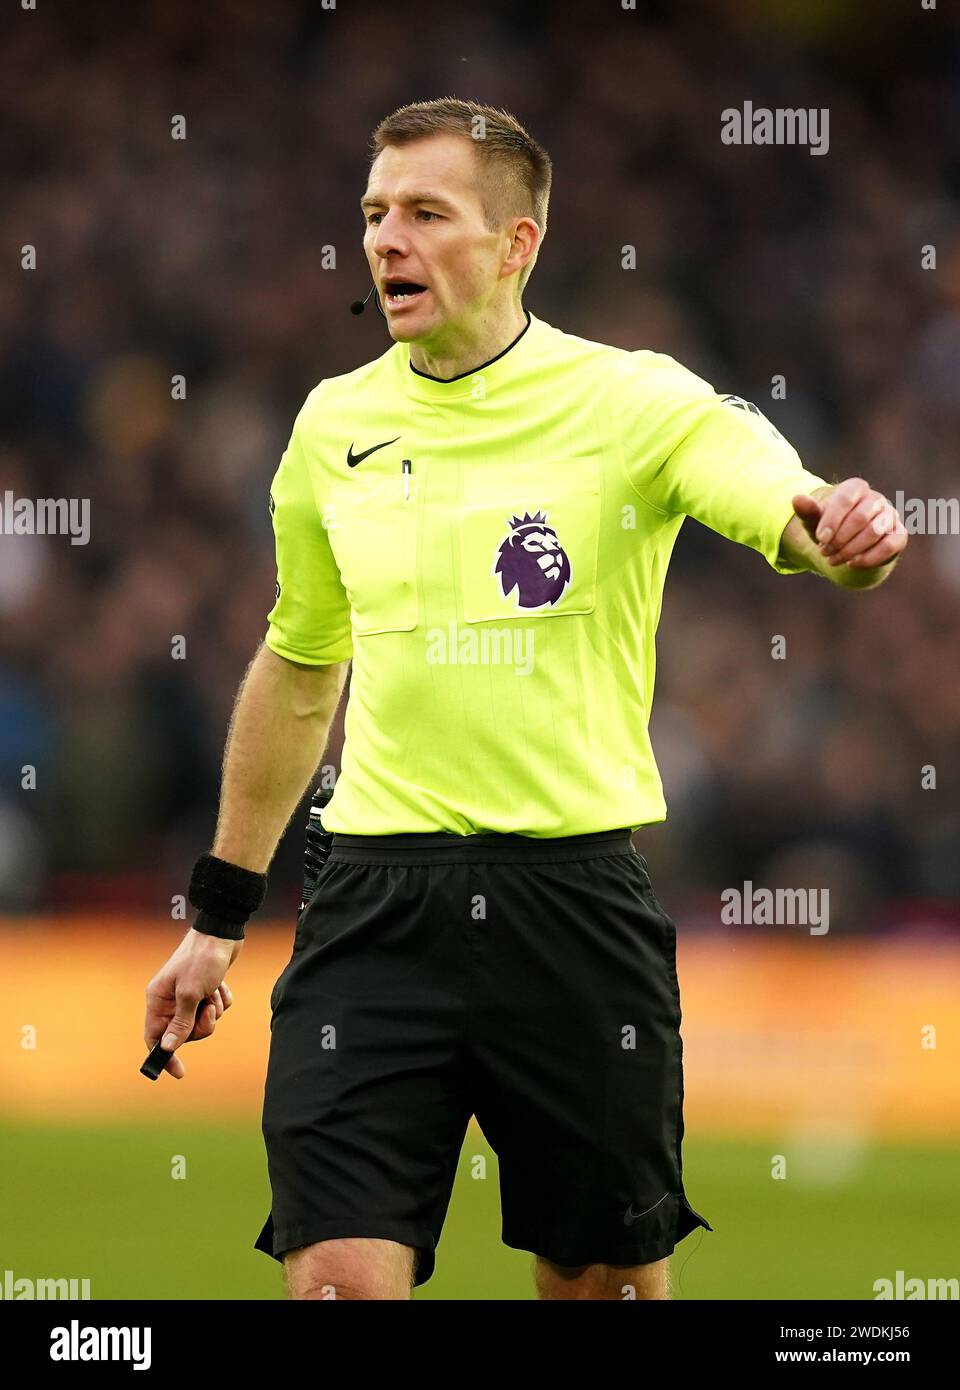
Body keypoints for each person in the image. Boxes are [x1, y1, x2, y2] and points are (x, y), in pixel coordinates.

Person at [143, 97, 908, 1301]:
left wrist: (838, 529)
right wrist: (218, 915)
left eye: (425, 213)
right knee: (334, 1280)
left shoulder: (631, 401)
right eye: (374, 213)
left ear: (516, 245)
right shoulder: (331, 425)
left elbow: (778, 498)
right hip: (374, 907)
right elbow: (301, 666)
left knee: (601, 1287)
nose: (386, 239)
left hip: (572, 905)